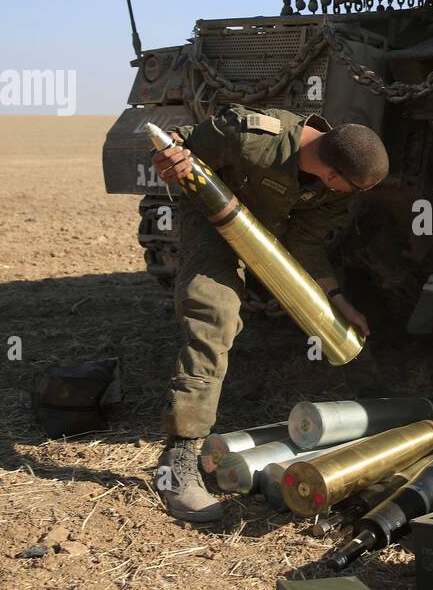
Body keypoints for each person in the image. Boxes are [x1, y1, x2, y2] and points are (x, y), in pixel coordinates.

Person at [149, 105, 389, 521]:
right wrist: (170, 158)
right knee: (215, 313)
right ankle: (180, 457)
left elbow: (307, 245)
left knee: (325, 317)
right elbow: (182, 142)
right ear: (333, 174)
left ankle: (378, 402)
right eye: (351, 188)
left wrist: (336, 299)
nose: (349, 196)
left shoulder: (330, 191)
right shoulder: (253, 136)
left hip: (261, 230)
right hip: (211, 214)